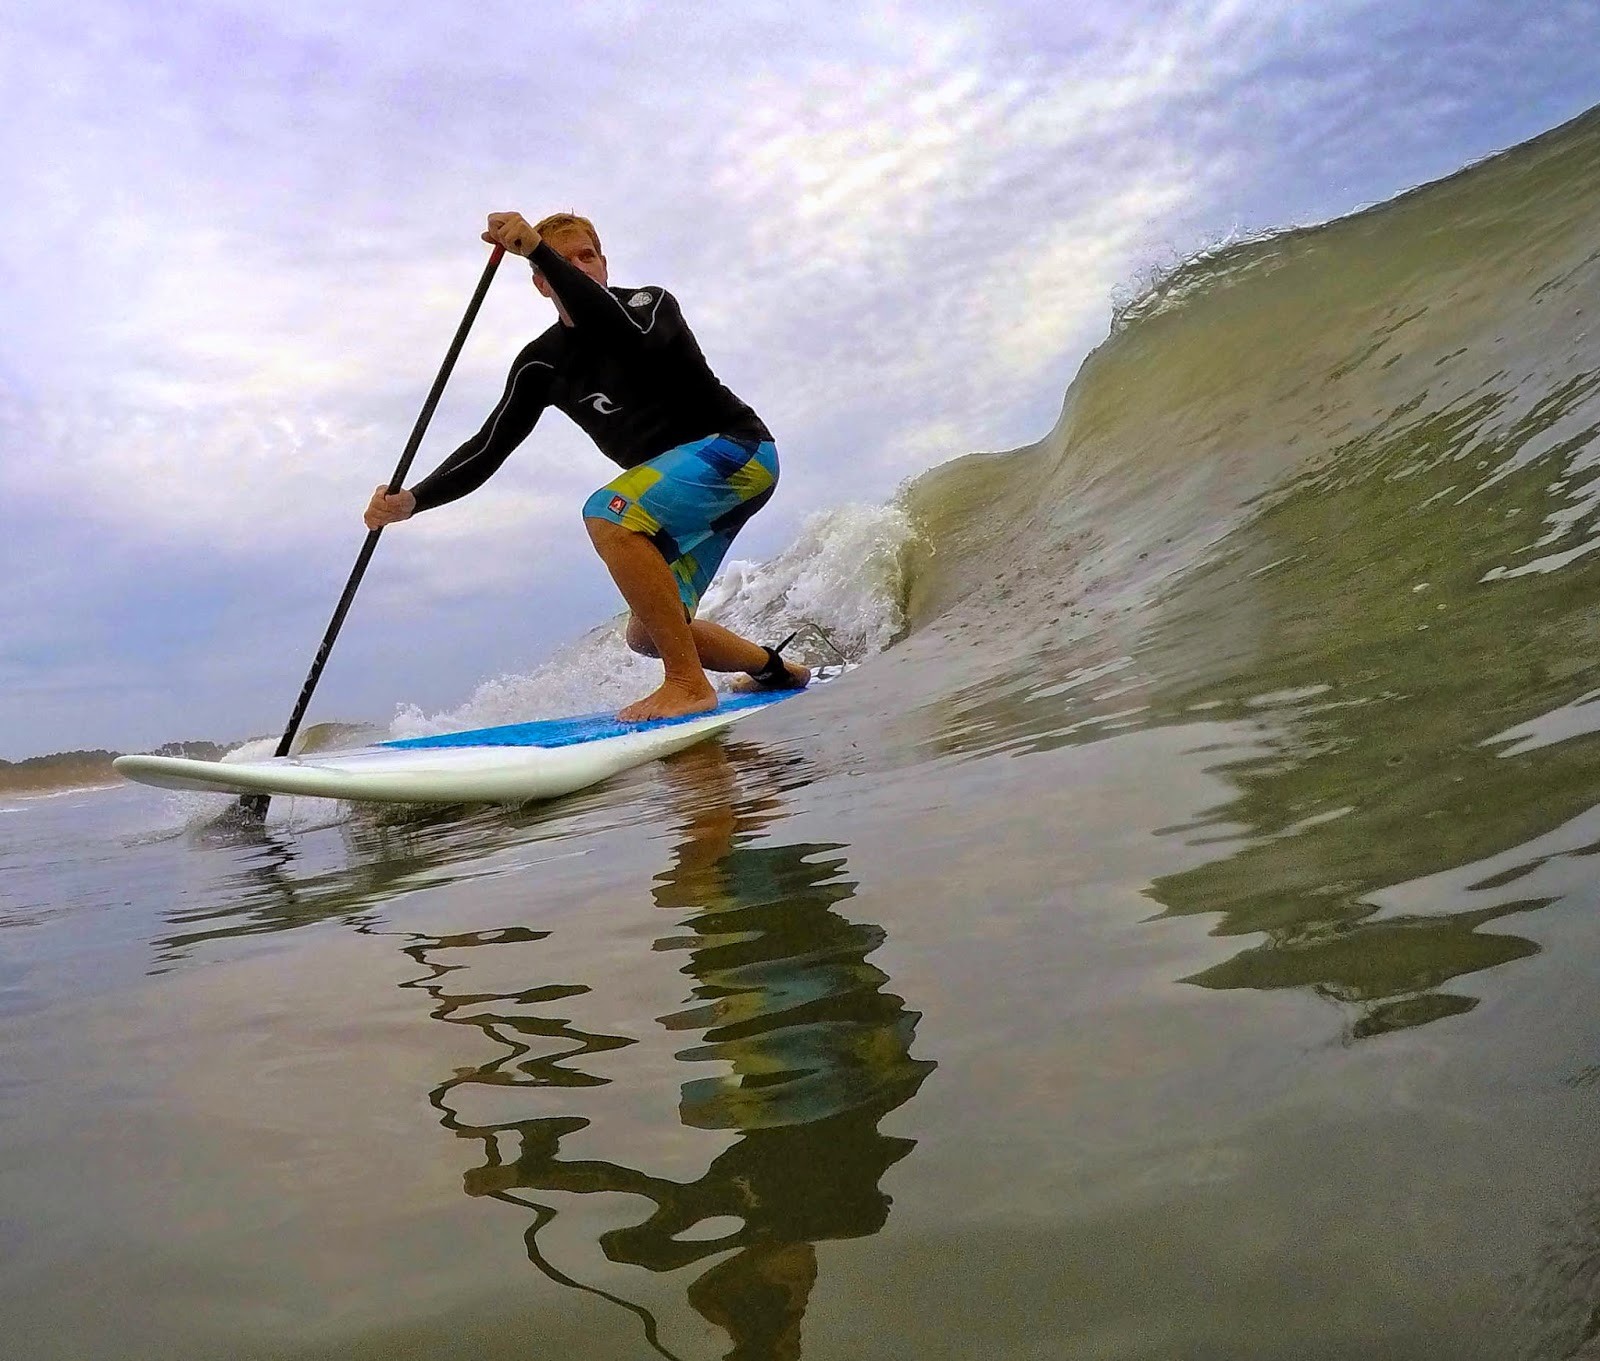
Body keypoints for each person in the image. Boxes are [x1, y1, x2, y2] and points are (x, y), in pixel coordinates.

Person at [364, 210, 808, 722]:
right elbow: (489, 445)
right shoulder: (541, 364)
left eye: (586, 256)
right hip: (685, 497)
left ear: (603, 263)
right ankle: (775, 669)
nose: (578, 266)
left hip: (741, 453)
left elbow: (619, 335)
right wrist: (411, 501)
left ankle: (688, 685)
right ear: (539, 286)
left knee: (606, 511)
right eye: (562, 259)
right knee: (651, 632)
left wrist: (539, 250)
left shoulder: (647, 307)